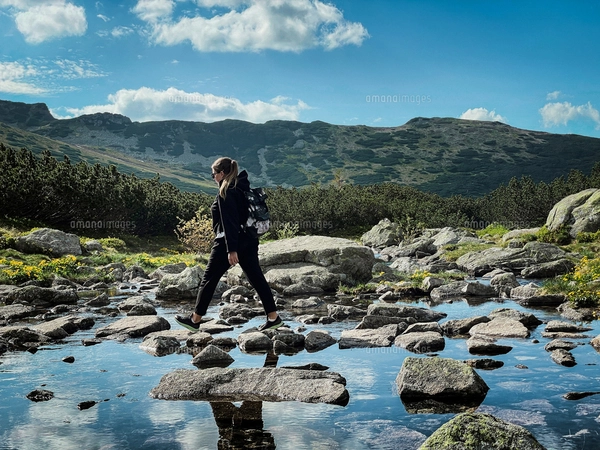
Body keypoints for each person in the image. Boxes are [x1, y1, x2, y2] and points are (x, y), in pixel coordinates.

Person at [175, 157, 283, 332]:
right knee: (256, 279)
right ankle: (273, 317)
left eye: (213, 174)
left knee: (208, 279)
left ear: (222, 173)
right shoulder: (241, 187)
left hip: (229, 242)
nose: (213, 177)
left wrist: (231, 249)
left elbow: (230, 222)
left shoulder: (227, 191)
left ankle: (195, 320)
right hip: (249, 240)